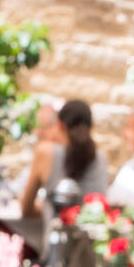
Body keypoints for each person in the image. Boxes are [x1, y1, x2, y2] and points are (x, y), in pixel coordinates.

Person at [21, 99, 109, 232]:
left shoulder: (45, 152)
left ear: (60, 126)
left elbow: (26, 209)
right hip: (93, 247)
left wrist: (47, 210)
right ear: (91, 127)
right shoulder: (101, 157)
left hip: (57, 248)